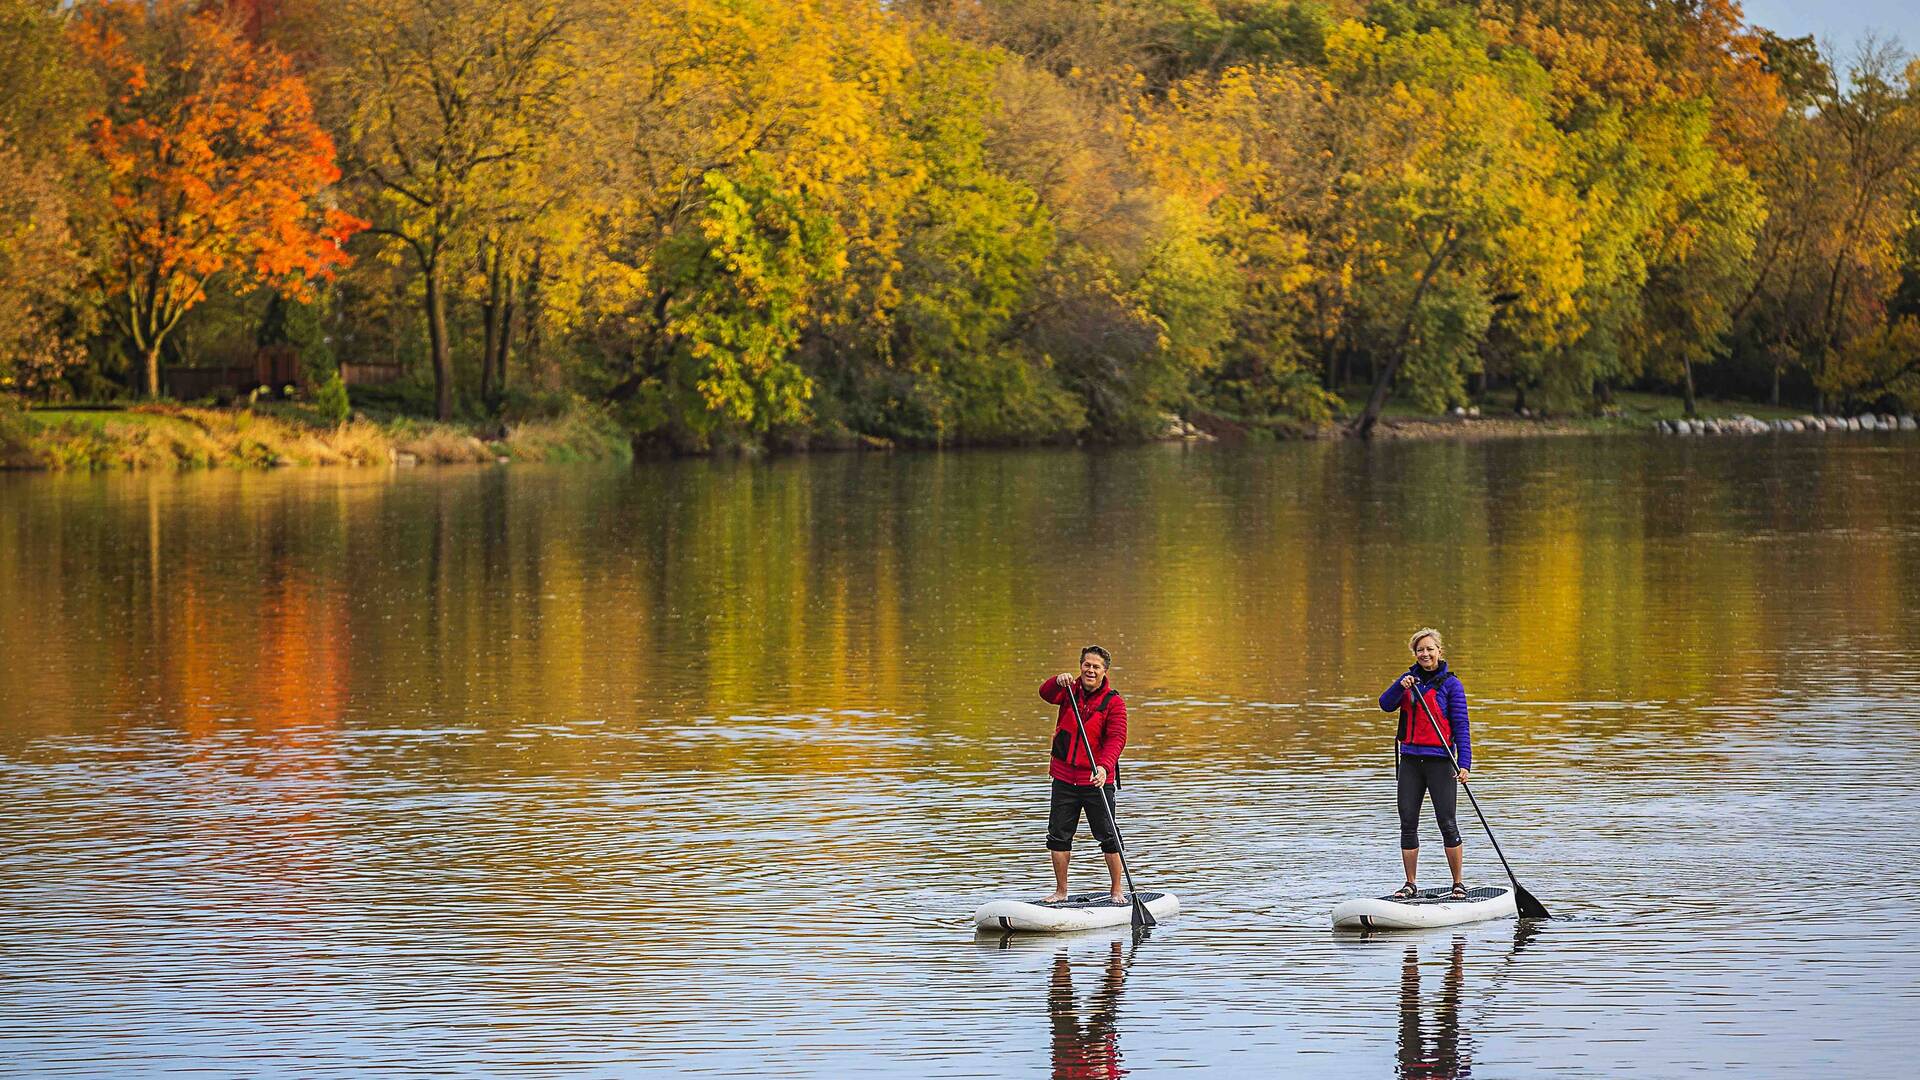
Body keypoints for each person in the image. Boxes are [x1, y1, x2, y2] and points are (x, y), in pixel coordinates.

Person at [1378, 627, 1471, 900]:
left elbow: (1462, 726)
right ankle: (1410, 884)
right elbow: (1385, 704)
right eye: (1420, 650)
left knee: (1447, 822)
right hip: (1410, 761)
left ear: (1439, 651)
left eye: (1430, 649)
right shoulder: (1407, 682)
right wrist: (1400, 685)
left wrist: (1464, 764)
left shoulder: (1452, 685)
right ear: (1415, 654)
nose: (1425, 654)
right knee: (1408, 822)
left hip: (1441, 762)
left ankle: (1458, 883)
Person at [1039, 645, 1128, 904]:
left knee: (1109, 836)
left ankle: (1116, 890)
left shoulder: (1114, 702)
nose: (1090, 670)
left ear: (1104, 671)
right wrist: (1056, 680)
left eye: (1096, 666)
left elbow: (1116, 739)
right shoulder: (1067, 691)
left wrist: (1103, 767)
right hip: (1064, 777)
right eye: (1086, 665)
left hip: (1097, 780)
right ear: (1081, 666)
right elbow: (1045, 693)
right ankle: (1061, 891)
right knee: (1058, 835)